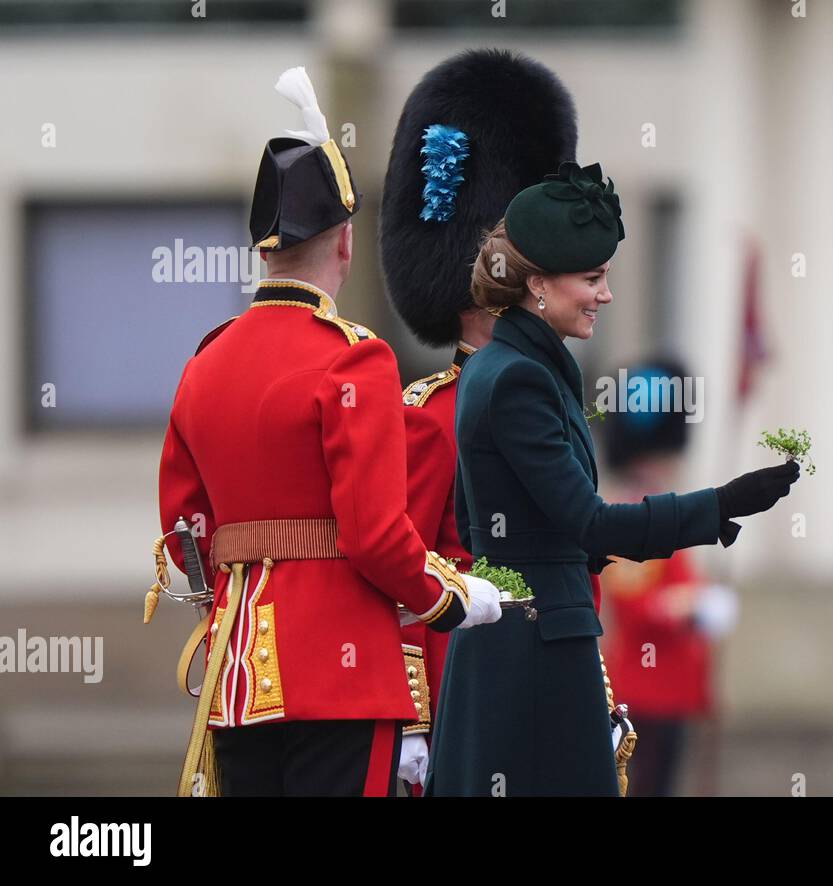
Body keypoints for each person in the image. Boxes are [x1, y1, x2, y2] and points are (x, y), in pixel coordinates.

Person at [157, 67, 499, 798]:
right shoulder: (354, 356)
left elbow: (186, 534)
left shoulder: (204, 364)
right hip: (341, 678)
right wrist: (453, 597)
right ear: (343, 243)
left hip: (238, 677)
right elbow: (376, 533)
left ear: (263, 248)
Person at [428, 161, 800, 796]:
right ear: (539, 284)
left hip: (523, 641)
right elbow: (589, 522)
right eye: (592, 278)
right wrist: (717, 506)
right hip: (536, 651)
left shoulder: (512, 367)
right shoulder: (519, 377)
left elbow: (497, 524)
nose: (605, 294)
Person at [378, 48, 579, 791]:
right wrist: (412, 721)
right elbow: (400, 577)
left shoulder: (550, 402)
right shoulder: (430, 418)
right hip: (462, 693)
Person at [598, 359, 739, 797]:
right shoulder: (633, 514)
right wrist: (697, 606)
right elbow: (638, 601)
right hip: (646, 693)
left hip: (673, 689)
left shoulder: (660, 516)